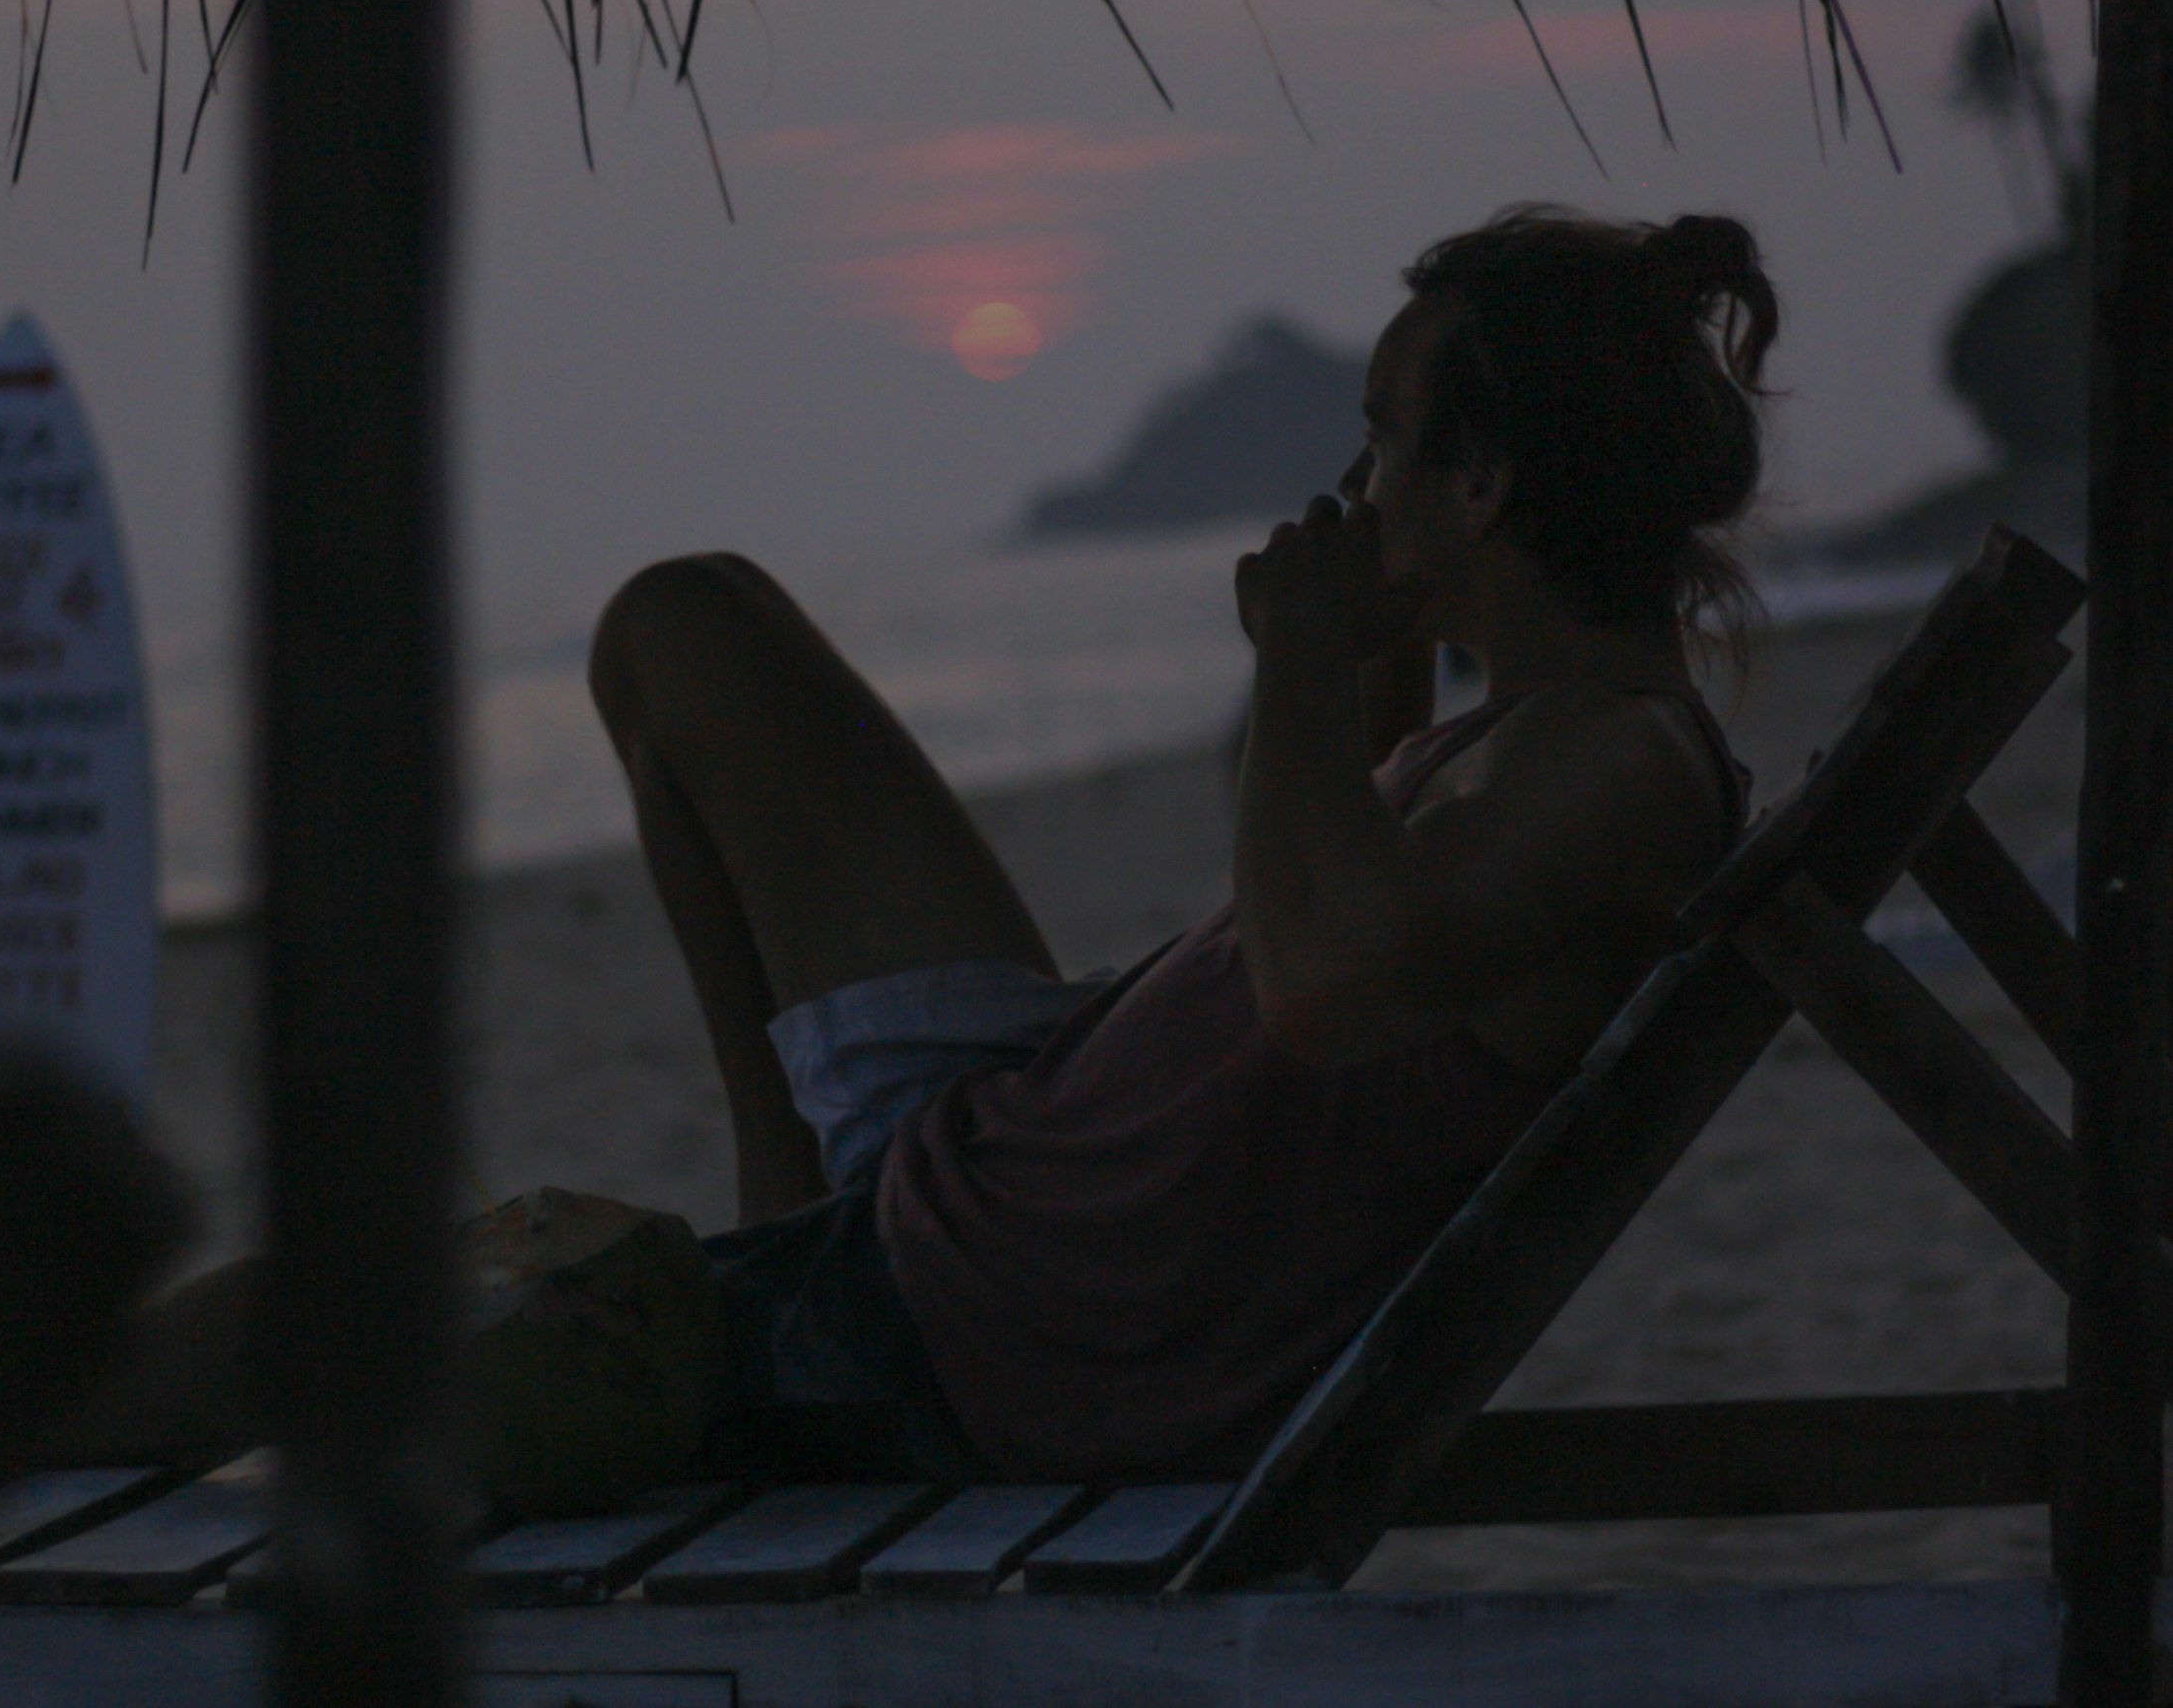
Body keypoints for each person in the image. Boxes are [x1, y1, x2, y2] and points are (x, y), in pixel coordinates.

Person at [92, 204, 1777, 1497]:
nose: (1352, 475)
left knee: (289, 1326)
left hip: (975, 1331)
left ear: (1480, 481)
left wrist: (1287, 660)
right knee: (688, 622)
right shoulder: (1533, 728)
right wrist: (1366, 663)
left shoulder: (1616, 764)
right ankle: (783, 1179)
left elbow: (1322, 983)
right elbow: (1335, 915)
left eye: (1382, 435)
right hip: (985, 1161)